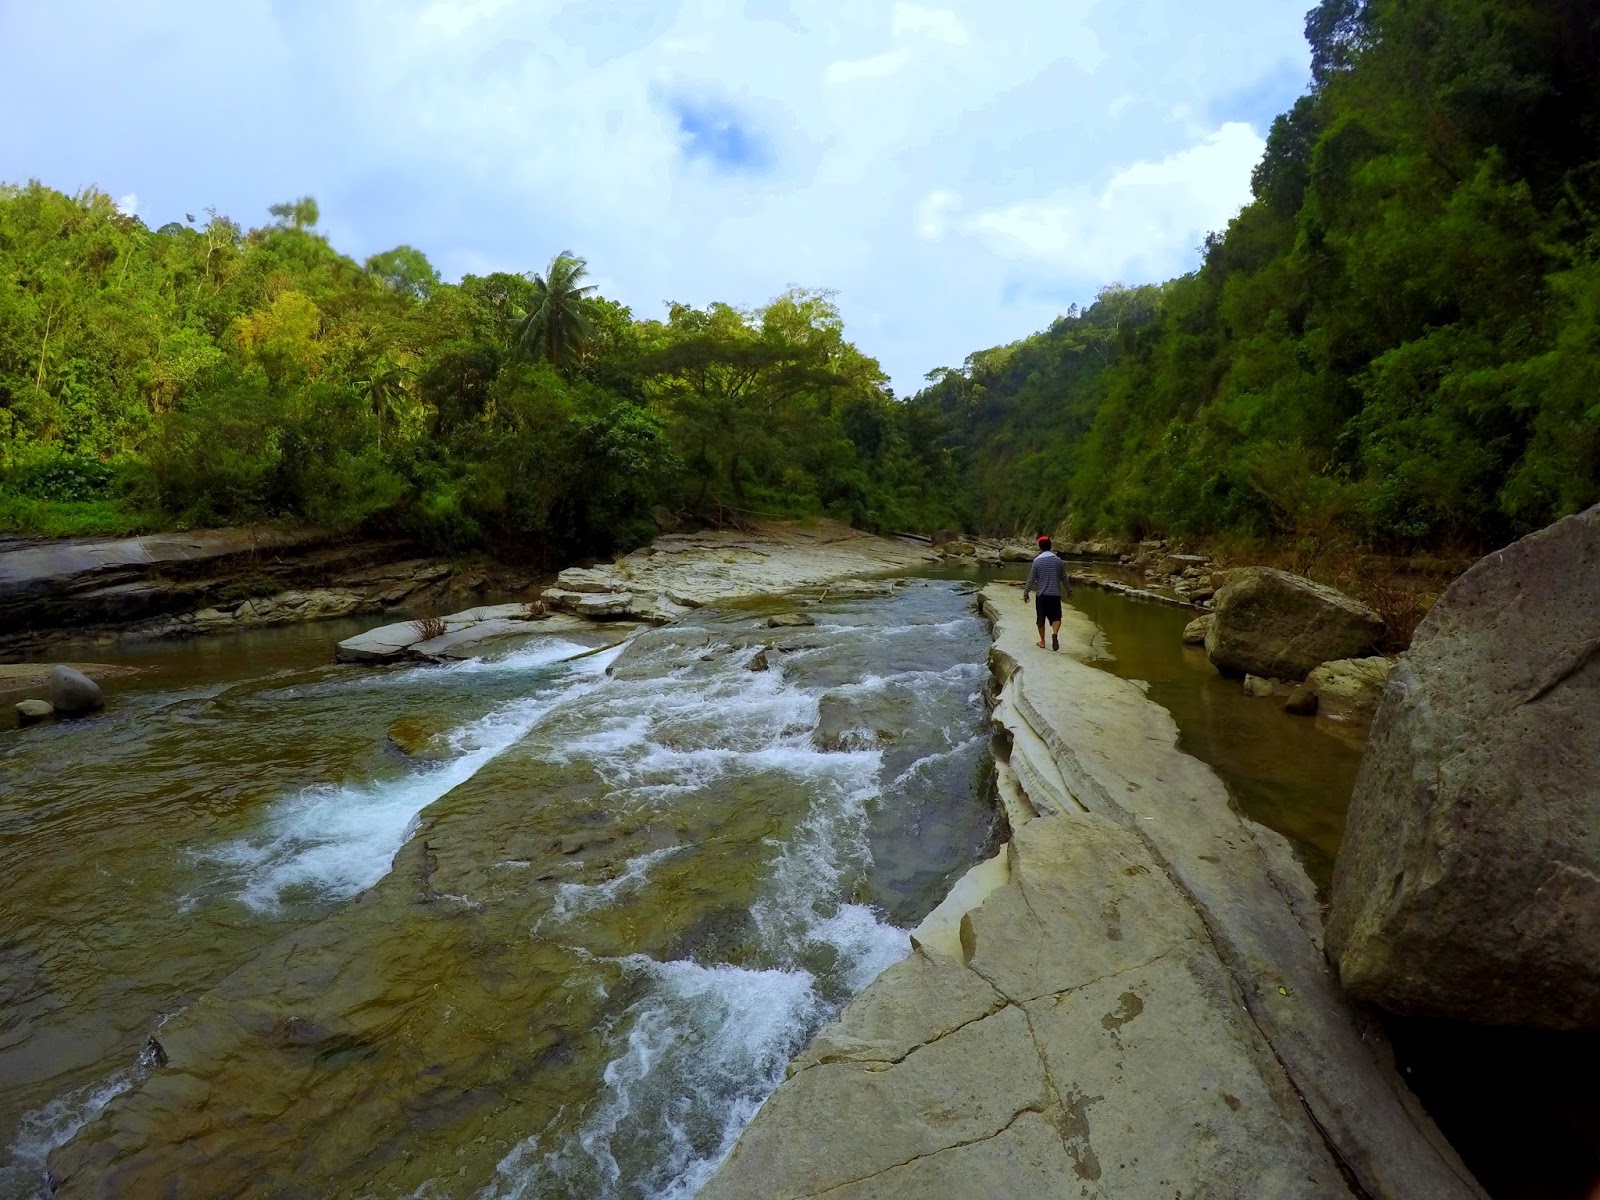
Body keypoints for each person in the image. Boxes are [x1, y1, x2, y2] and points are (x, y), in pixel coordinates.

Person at [1021, 535, 1072, 651]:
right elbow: (1064, 578)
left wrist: (1026, 593)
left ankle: (1043, 642)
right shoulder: (1058, 561)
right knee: (1056, 617)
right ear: (1051, 546)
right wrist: (1069, 591)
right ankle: (1054, 634)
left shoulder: (1037, 561)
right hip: (1055, 595)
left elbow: (1031, 579)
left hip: (1041, 596)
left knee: (1041, 619)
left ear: (1040, 547)